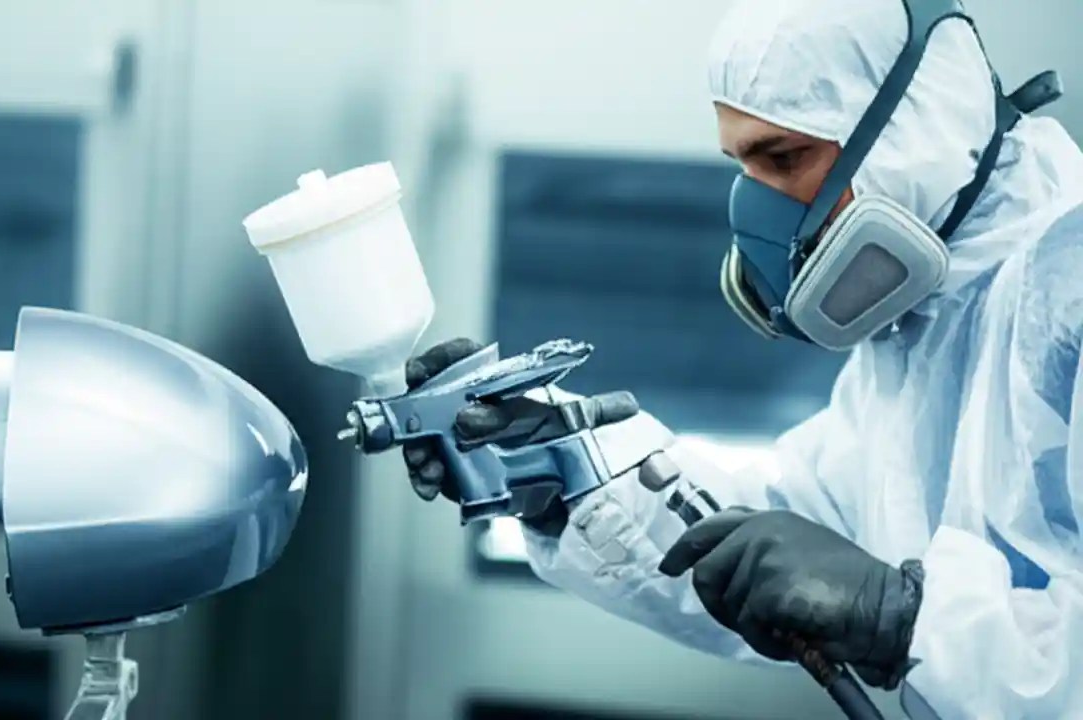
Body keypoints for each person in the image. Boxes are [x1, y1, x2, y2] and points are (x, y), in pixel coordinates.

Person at [399, 0, 1083, 717]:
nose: (761, 213)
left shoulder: (1065, 294)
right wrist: (569, 470)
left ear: (916, 132)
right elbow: (787, 532)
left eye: (782, 158)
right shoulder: (922, 321)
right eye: (743, 166)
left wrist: (901, 617)